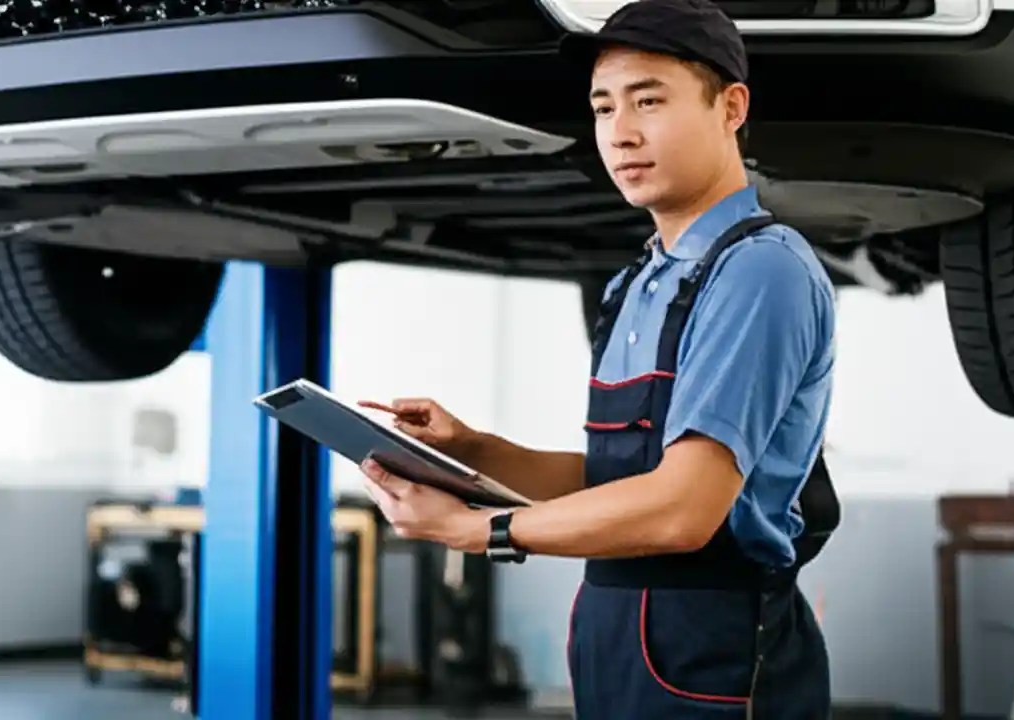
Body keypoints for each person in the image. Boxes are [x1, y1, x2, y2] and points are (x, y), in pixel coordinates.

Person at [357, 0, 839, 717]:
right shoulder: (637, 282)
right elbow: (623, 477)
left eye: (650, 101)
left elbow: (680, 510)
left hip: (718, 650)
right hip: (612, 633)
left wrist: (478, 531)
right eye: (603, 107)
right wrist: (473, 450)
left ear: (731, 106)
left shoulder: (759, 272)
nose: (622, 133)